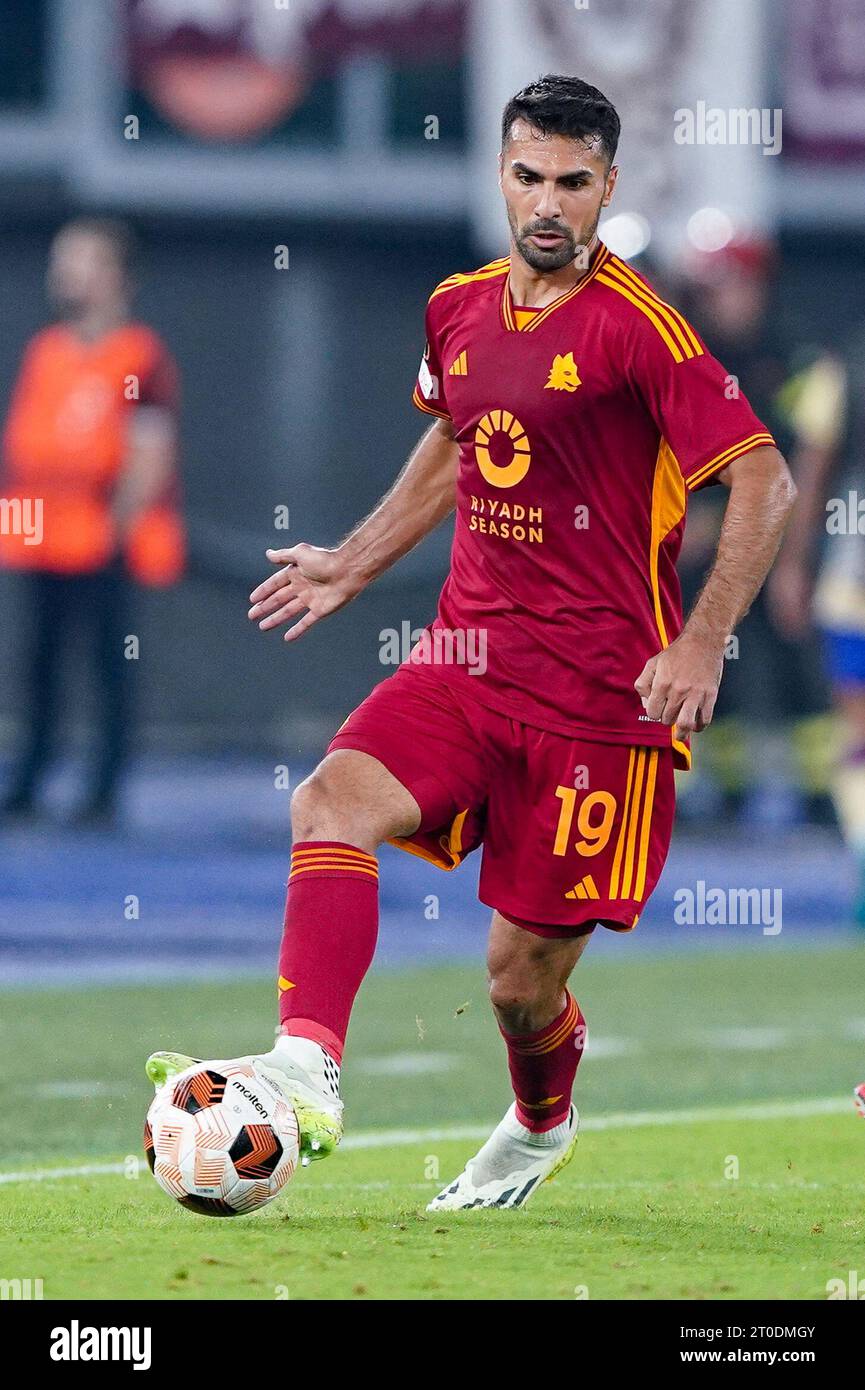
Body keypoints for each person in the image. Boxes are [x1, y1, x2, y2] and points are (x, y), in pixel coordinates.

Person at [148, 76, 794, 1211]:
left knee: (517, 982)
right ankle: (307, 1063)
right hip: (465, 660)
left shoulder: (645, 333)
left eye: (572, 183)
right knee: (329, 802)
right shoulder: (456, 306)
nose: (548, 204)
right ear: (500, 173)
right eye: (527, 176)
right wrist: (353, 561)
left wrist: (703, 640)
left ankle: (542, 1121)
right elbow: (456, 438)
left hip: (603, 704)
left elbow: (766, 480)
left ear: (608, 187)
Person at [0, 218, 184, 826]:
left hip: (106, 540)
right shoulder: (46, 349)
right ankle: (29, 776)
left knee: (108, 661)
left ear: (115, 275)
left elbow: (150, 450)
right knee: (39, 661)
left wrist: (117, 525)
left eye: (79, 260)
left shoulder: (140, 355)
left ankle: (103, 787)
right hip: (44, 536)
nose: (65, 272)